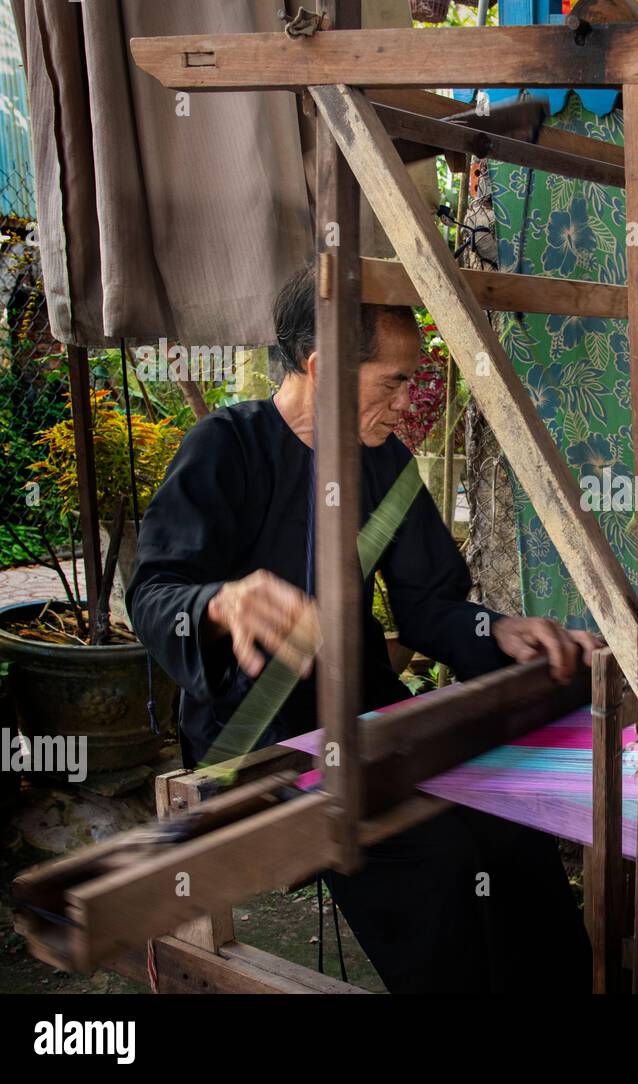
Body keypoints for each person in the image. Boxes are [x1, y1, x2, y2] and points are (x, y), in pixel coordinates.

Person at [126, 265, 597, 992]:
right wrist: (218, 603)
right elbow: (155, 592)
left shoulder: (387, 465)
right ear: (322, 368)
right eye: (394, 382)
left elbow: (431, 603)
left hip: (362, 714)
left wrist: (495, 631)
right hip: (254, 738)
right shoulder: (226, 449)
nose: (409, 402)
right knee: (437, 857)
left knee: (513, 830)